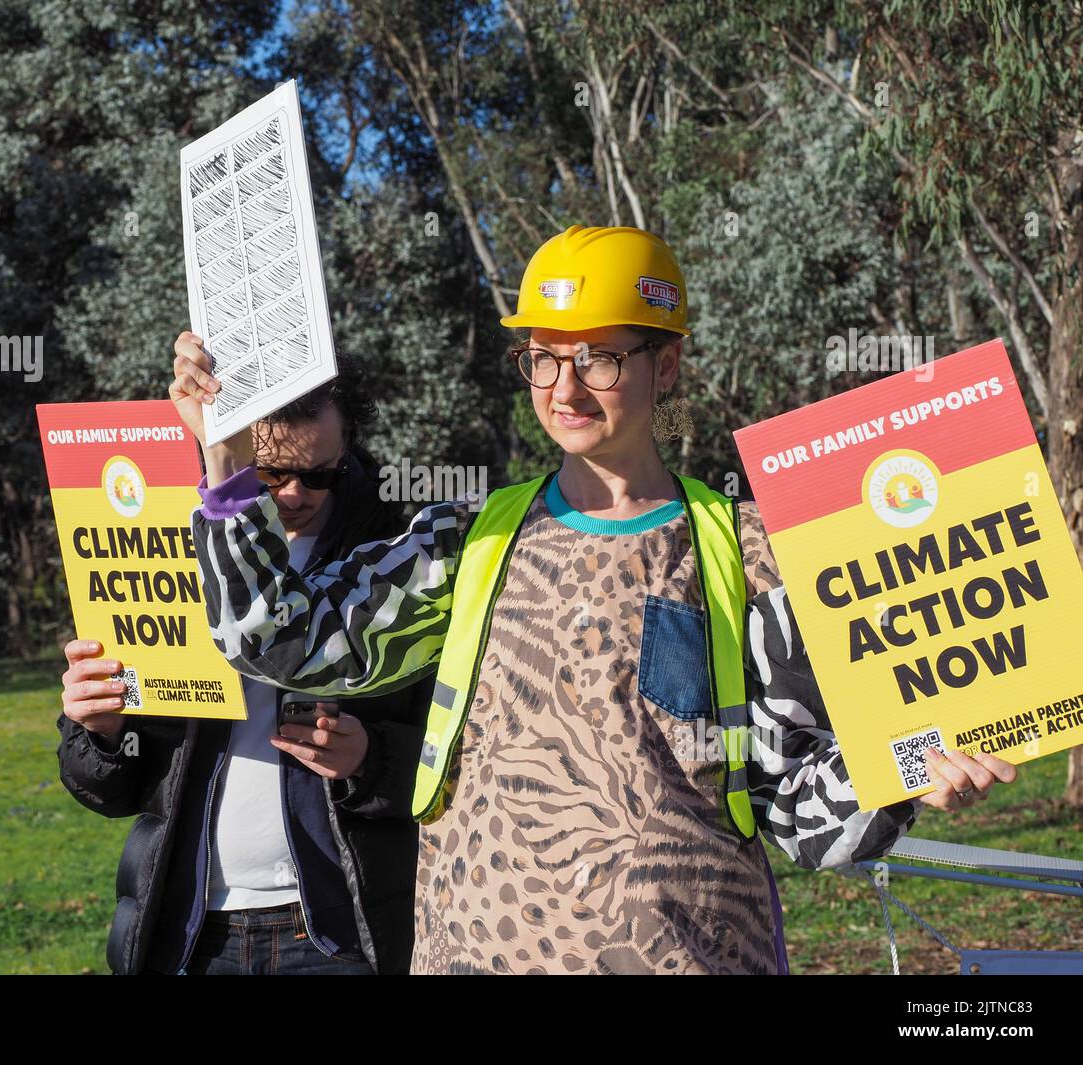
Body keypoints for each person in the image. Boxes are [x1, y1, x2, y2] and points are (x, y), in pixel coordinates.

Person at [173, 224, 1017, 975]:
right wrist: (223, 462)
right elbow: (281, 639)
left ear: (668, 364)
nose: (565, 389)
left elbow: (801, 816)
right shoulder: (469, 544)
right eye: (543, 356)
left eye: (601, 358)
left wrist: (912, 767)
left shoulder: (755, 555)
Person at [56, 362, 433, 975]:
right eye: (271, 471)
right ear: (226, 449)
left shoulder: (396, 557)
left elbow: (455, 754)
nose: (292, 494)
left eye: (318, 474)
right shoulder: (166, 543)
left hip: (339, 932)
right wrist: (96, 729)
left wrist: (371, 760)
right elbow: (112, 789)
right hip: (192, 930)